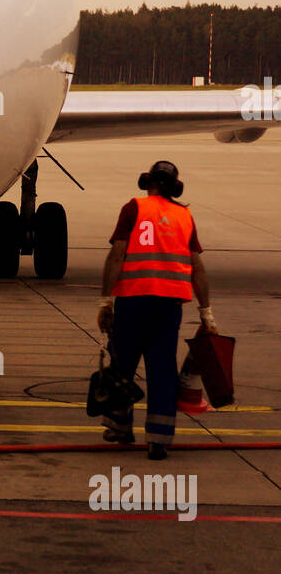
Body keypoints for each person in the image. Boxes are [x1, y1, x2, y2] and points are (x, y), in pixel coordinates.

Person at [97, 160, 217, 460]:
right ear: (176, 187)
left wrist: (105, 301)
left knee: (121, 365)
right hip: (168, 306)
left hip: (134, 301)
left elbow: (117, 255)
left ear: (146, 181)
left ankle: (119, 427)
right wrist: (207, 314)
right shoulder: (184, 216)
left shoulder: (134, 208)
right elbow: (197, 268)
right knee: (162, 370)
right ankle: (159, 440)